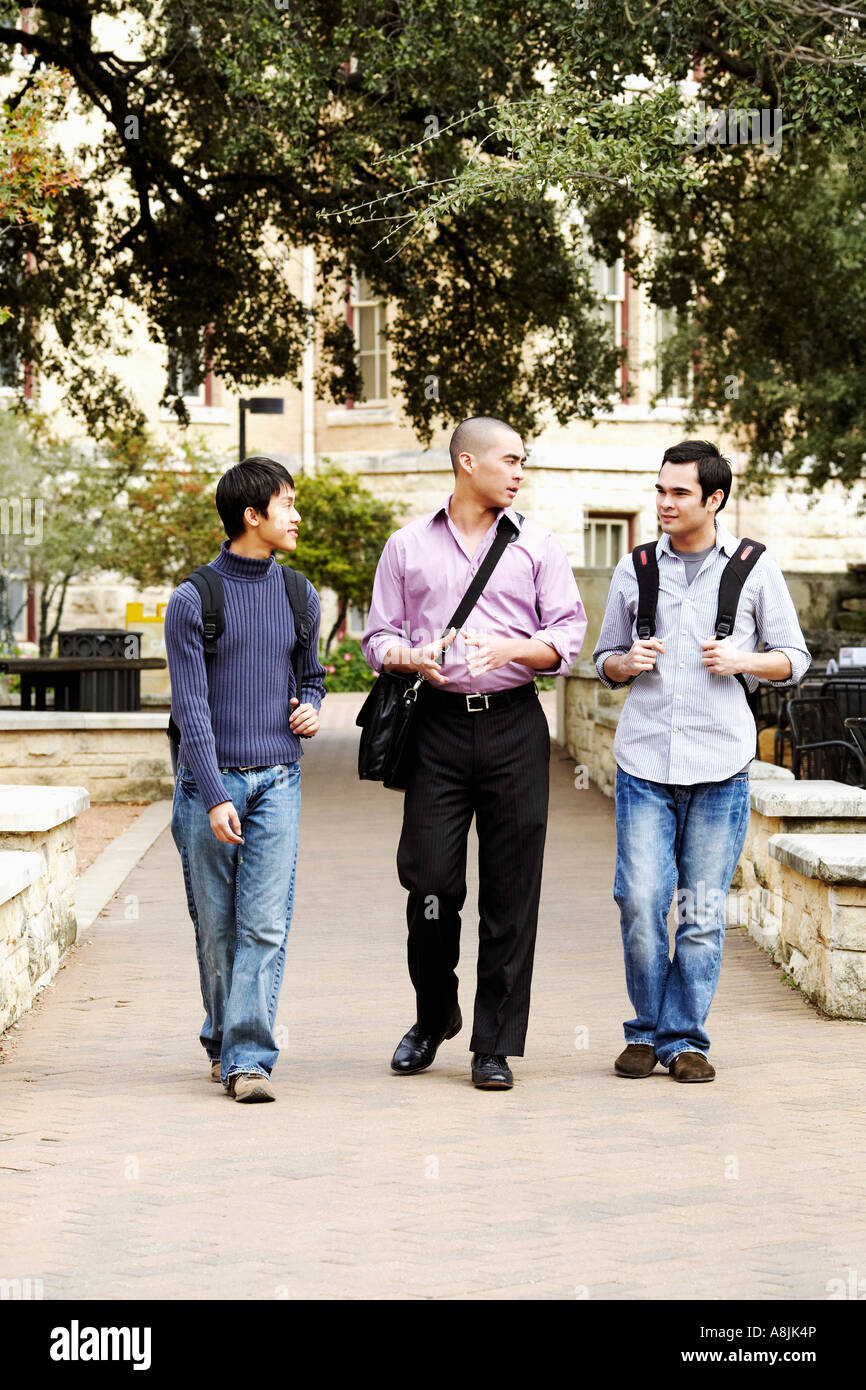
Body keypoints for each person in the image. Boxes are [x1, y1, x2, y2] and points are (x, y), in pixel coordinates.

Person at [363, 416, 586, 1090]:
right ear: (467, 462)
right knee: (430, 882)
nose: (520, 472)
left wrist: (510, 649)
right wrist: (408, 655)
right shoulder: (406, 546)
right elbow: (377, 638)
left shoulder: (538, 545)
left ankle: (494, 1044)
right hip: (434, 726)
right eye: (510, 460)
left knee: (512, 891)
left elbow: (567, 640)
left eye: (524, 462)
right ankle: (434, 1017)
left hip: (516, 726)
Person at [593, 440, 810, 1084]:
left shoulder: (753, 568)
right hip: (644, 765)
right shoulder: (635, 566)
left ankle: (682, 1039)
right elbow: (603, 660)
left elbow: (794, 659)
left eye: (678, 493)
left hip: (719, 768)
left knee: (701, 910)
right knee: (640, 902)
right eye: (659, 490)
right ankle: (646, 1027)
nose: (663, 502)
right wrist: (625, 664)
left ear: (714, 499)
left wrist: (741, 660)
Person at [164, 456, 326, 1103]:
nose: (295, 516)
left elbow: (309, 675)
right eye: (286, 504)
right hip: (208, 786)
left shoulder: (298, 593)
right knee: (219, 928)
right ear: (251, 515)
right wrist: (214, 796)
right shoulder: (191, 600)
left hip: (279, 782)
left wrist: (310, 706)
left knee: (262, 924)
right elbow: (191, 710)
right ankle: (224, 1037)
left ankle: (247, 1058)